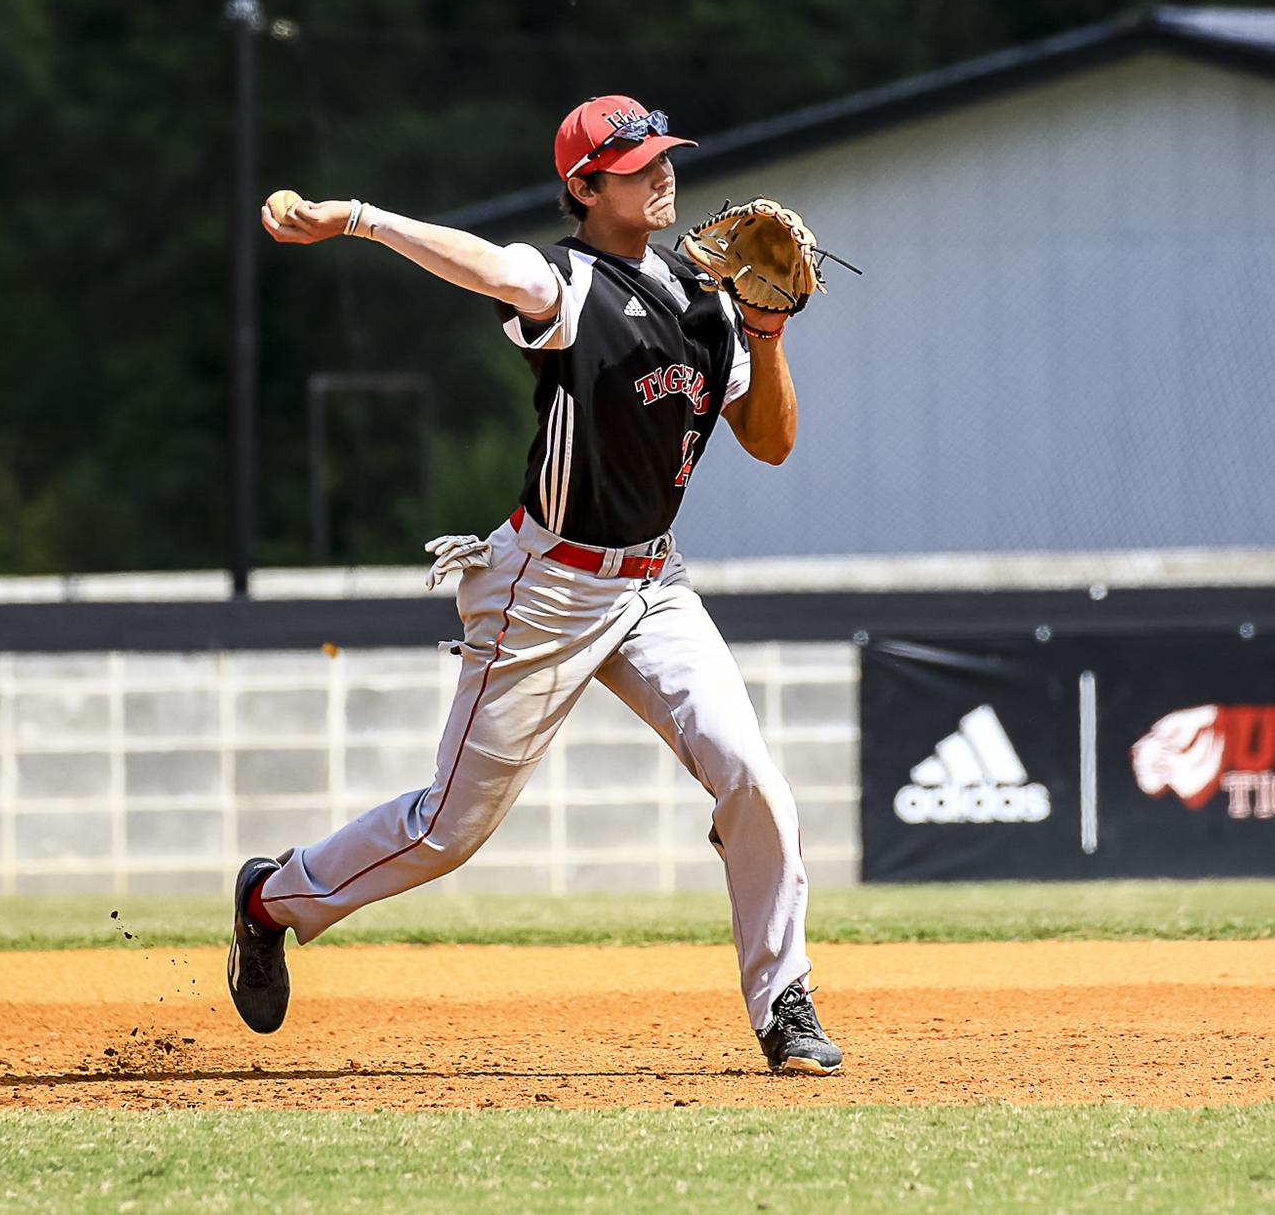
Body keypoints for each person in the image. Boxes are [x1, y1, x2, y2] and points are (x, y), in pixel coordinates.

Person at [228, 95, 841, 1074]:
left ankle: (783, 1002)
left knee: (750, 770)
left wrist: (766, 339)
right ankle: (269, 898)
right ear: (584, 188)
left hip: (653, 587)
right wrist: (357, 217)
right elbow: (479, 263)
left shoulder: (708, 309)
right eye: (635, 163)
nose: (660, 174)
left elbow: (769, 441)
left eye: (662, 156)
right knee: (446, 829)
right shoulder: (564, 285)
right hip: (544, 587)